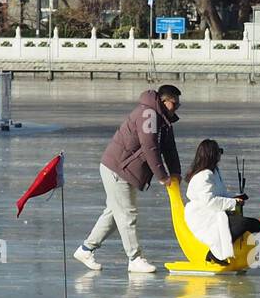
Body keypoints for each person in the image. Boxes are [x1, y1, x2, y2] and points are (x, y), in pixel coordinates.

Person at [75, 85, 182, 274]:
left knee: (115, 214)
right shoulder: (148, 114)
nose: (177, 107)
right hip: (117, 169)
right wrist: (162, 176)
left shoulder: (163, 119)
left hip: (124, 169)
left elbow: (169, 148)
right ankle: (135, 258)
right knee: (127, 214)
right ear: (165, 101)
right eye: (175, 103)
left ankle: (85, 249)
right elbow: (149, 147)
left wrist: (175, 172)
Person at [183, 139, 260, 266]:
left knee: (255, 224)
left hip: (215, 213)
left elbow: (221, 194)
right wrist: (233, 203)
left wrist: (236, 198)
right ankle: (214, 253)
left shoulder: (214, 173)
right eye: (219, 152)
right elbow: (209, 202)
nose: (220, 156)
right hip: (203, 216)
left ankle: (228, 250)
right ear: (212, 155)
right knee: (246, 224)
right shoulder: (204, 176)